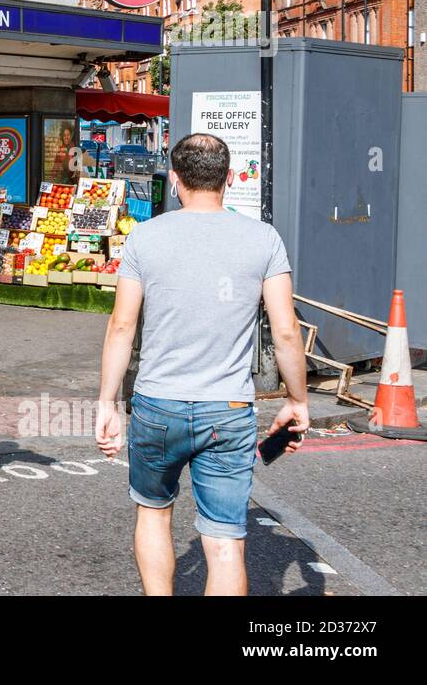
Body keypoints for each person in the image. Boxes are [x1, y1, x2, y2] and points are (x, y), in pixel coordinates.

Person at [95, 133, 310, 596]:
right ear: (229, 179)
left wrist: (106, 402)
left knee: (153, 512)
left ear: (175, 180)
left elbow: (121, 326)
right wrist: (297, 399)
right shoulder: (263, 238)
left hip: (157, 403)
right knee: (225, 538)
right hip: (228, 406)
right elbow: (287, 330)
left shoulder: (145, 237)